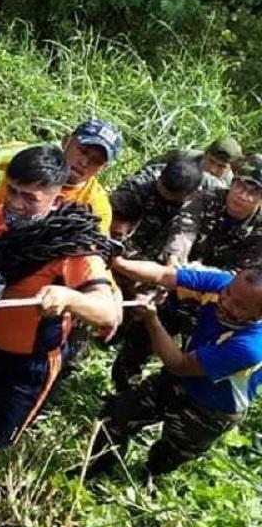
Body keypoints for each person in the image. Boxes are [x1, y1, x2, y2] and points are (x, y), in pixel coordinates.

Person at [0, 145, 121, 458]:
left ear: (57, 199)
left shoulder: (74, 250)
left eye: (29, 198)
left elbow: (108, 312)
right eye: (11, 190)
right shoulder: (1, 219)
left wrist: (69, 297)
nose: (15, 203)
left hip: (28, 365)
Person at [92, 259, 262, 476]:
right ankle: (96, 469)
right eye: (228, 293)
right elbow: (163, 275)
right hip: (176, 381)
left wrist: (152, 320)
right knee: (117, 417)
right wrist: (117, 262)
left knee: (169, 455)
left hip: (209, 411)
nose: (226, 302)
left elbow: (179, 364)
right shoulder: (225, 285)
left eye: (240, 306)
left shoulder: (251, 346)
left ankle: (149, 477)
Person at [111, 156, 262, 391]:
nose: (243, 196)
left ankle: (171, 394)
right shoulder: (208, 198)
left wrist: (196, 273)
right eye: (241, 185)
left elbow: (248, 278)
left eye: (254, 192)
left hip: (228, 302)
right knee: (143, 333)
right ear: (232, 181)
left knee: (191, 362)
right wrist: (175, 261)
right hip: (181, 280)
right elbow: (183, 231)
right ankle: (124, 387)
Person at [0, 118, 123, 236]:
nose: (84, 162)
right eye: (83, 151)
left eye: (96, 161)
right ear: (66, 141)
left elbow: (93, 254)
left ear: (103, 168)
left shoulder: (96, 208)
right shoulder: (31, 158)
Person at [109, 153, 205, 261]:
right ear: (159, 179)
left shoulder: (206, 197)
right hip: (133, 244)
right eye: (163, 191)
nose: (167, 198)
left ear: (192, 193)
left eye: (173, 197)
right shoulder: (139, 185)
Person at [159, 136, 242, 189]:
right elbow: (155, 165)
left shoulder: (230, 184)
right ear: (205, 155)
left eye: (221, 166)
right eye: (211, 161)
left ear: (230, 168)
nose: (213, 169)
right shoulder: (186, 156)